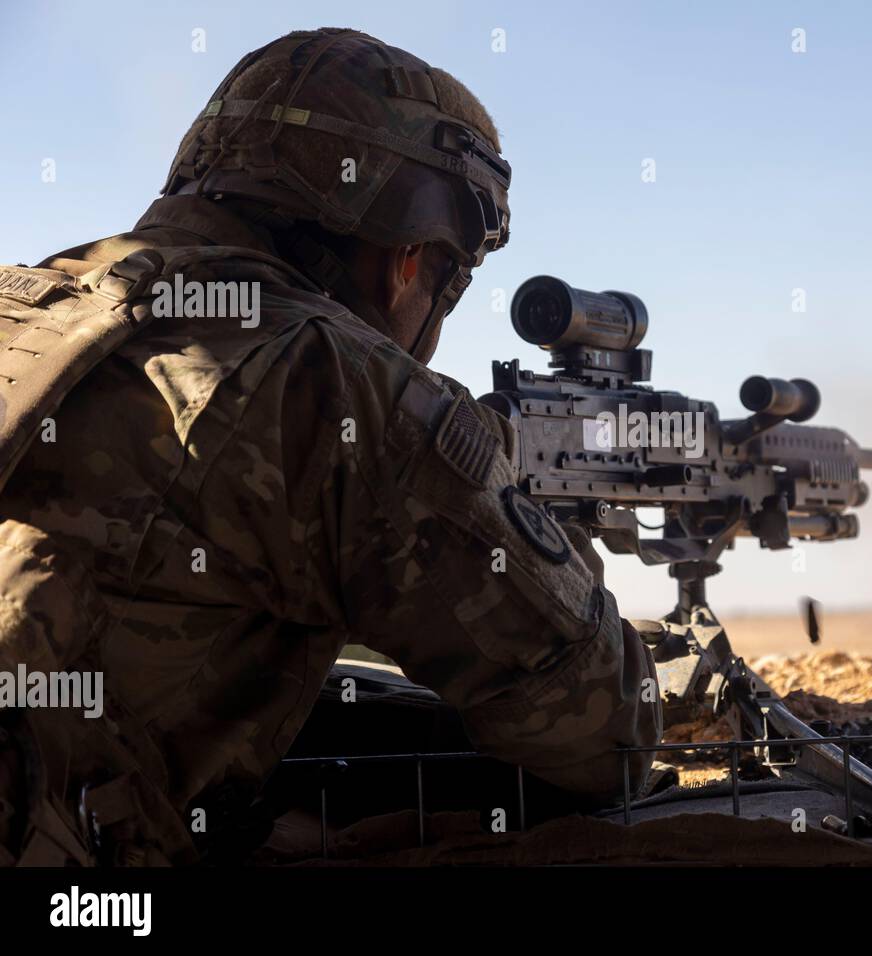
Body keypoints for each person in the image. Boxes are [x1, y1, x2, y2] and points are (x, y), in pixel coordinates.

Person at [0, 28, 661, 866]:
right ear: (407, 262)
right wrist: (529, 518)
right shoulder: (334, 383)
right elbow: (609, 731)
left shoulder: (25, 300)